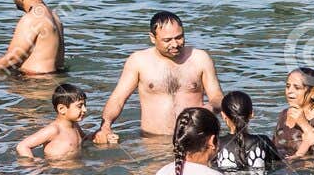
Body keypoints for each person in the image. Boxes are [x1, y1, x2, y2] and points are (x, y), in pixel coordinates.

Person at [94, 11, 222, 143]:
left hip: (194, 137)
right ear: (152, 38)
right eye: (167, 40)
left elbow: (217, 97)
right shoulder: (139, 61)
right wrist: (106, 126)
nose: (175, 44)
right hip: (154, 140)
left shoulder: (200, 58)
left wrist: (209, 108)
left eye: (179, 37)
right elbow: (118, 98)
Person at [273, 66, 314, 161]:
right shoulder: (285, 113)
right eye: (288, 86)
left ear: (313, 92)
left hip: (303, 171)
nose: (289, 91)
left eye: (297, 87)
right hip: (283, 165)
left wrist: (305, 125)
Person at [212, 91, 281, 172]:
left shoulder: (217, 144)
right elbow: (279, 166)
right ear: (252, 114)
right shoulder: (263, 141)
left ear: (223, 115)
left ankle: (230, 171)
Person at [17, 83, 87, 160]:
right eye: (79, 106)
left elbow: (86, 139)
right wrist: (34, 166)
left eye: (85, 105)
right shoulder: (54, 130)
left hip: (76, 167)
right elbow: (22, 146)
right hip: (57, 170)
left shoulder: (75, 125)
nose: (85, 109)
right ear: (62, 109)